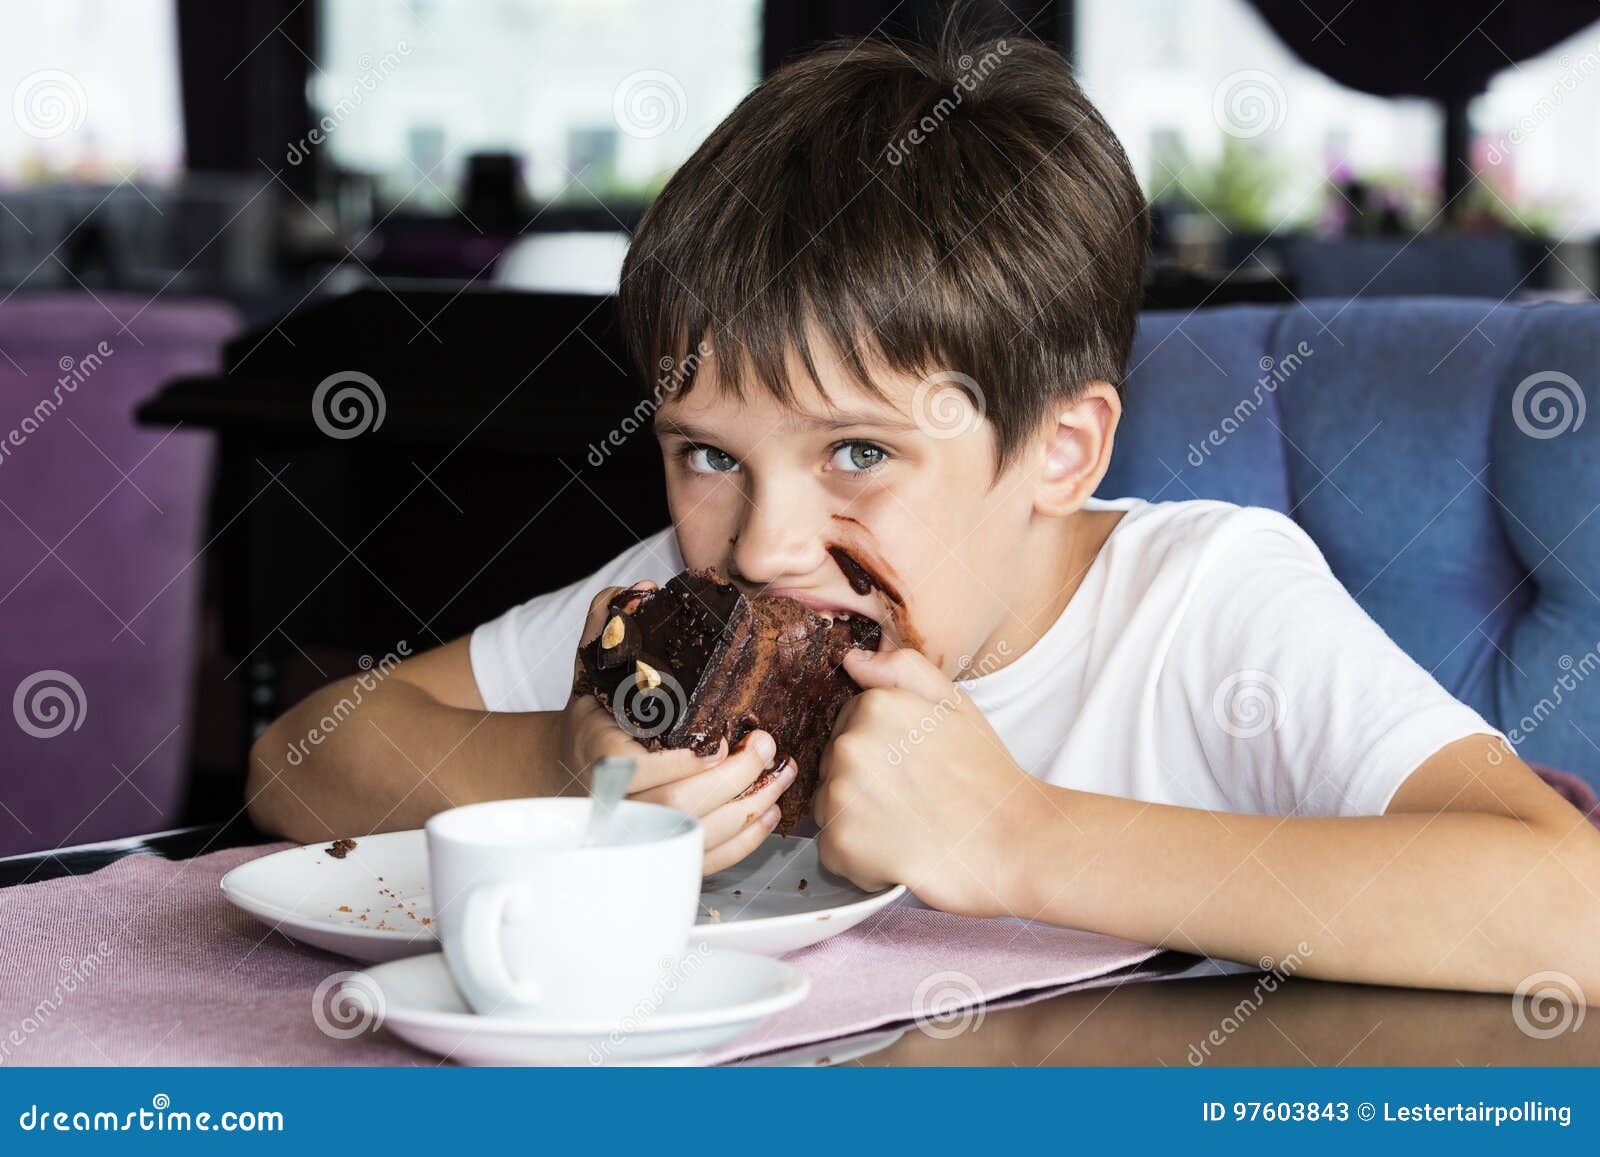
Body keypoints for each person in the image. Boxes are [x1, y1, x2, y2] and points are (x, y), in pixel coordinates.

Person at [247, 32, 1599, 996]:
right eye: (707, 453)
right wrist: (562, 768)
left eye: (856, 451)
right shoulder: (677, 595)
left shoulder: (1202, 607)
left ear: (1059, 449)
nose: (764, 542)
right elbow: (298, 753)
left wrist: (1018, 836)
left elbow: (1572, 909)